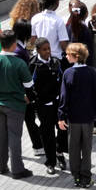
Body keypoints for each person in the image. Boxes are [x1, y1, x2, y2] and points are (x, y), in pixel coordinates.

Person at [58, 43, 96, 188]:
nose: (66, 56)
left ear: (76, 56)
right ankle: (86, 177)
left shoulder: (68, 73)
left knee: (73, 147)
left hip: (73, 118)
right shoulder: (92, 72)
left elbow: (63, 97)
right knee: (86, 148)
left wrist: (61, 116)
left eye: (68, 54)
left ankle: (76, 177)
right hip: (88, 117)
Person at [0, 30, 33, 179]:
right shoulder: (20, 63)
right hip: (15, 106)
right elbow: (29, 85)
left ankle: (1, 166)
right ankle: (17, 169)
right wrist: (28, 98)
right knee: (14, 137)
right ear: (13, 45)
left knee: (0, 134)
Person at [29, 38, 67, 175]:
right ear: (38, 50)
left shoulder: (56, 62)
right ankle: (50, 162)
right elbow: (29, 84)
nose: (48, 52)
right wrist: (35, 100)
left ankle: (59, 152)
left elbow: (63, 80)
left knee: (62, 129)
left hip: (58, 104)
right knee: (47, 133)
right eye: (44, 49)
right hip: (43, 106)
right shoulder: (33, 65)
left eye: (49, 48)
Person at [29, 0, 66, 64]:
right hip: (55, 60)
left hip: (38, 58)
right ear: (57, 3)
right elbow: (63, 45)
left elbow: (32, 40)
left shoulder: (35, 18)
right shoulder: (59, 21)